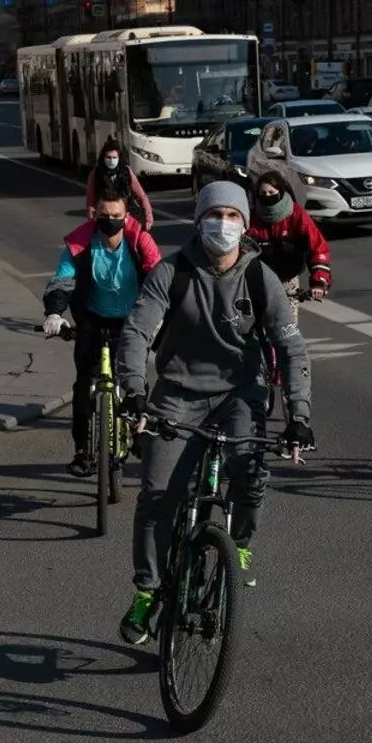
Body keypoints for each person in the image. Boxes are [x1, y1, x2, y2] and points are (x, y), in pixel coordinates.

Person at [114, 180, 315, 644]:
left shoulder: (260, 279)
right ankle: (147, 593)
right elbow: (136, 332)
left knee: (249, 475)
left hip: (239, 394)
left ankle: (239, 545)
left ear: (245, 225)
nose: (222, 224)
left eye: (232, 217)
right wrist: (133, 390)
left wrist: (299, 416)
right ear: (198, 221)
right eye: (213, 215)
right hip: (177, 393)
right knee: (156, 496)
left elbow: (291, 346)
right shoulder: (172, 271)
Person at [42, 191, 162, 476]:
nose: (111, 221)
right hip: (91, 320)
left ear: (126, 216)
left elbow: (159, 279)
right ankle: (82, 451)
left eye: (116, 216)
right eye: (104, 216)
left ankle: (137, 431)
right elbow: (62, 279)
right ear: (95, 215)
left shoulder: (139, 240)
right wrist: (55, 313)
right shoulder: (81, 243)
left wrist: (160, 318)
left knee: (135, 379)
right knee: (83, 385)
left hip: (131, 320)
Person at [245, 171, 332, 320]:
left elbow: (317, 248)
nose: (267, 196)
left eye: (271, 192)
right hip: (256, 284)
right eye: (263, 193)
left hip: (288, 282)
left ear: (281, 191)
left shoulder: (296, 215)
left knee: (288, 329)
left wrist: (319, 282)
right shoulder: (251, 217)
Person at [85, 139, 153, 230]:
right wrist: (92, 222)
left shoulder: (126, 171)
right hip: (106, 217)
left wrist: (148, 218)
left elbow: (142, 196)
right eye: (108, 157)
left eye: (114, 158)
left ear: (119, 157)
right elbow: (90, 202)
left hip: (128, 216)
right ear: (103, 158)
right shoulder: (95, 174)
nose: (111, 161)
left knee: (143, 237)